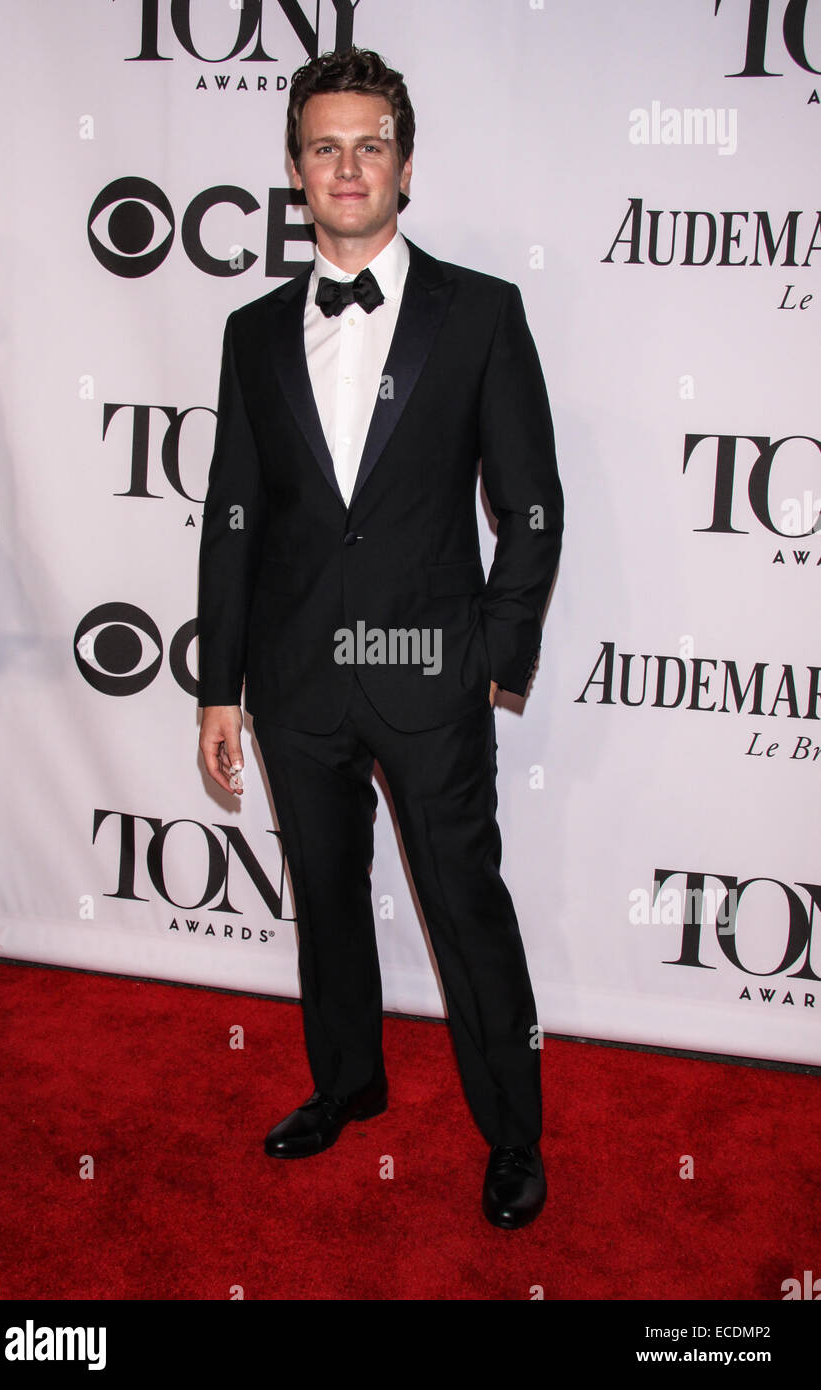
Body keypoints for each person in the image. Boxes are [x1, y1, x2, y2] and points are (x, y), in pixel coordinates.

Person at [196, 46, 563, 1230]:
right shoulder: (252, 333)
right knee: (329, 896)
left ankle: (513, 1131)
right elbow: (234, 513)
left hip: (427, 677)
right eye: (323, 146)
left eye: (368, 145)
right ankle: (347, 1083)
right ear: (295, 170)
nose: (345, 166)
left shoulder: (480, 314)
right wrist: (218, 685)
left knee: (466, 905)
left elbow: (533, 505)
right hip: (296, 679)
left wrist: (490, 661)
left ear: (403, 165)